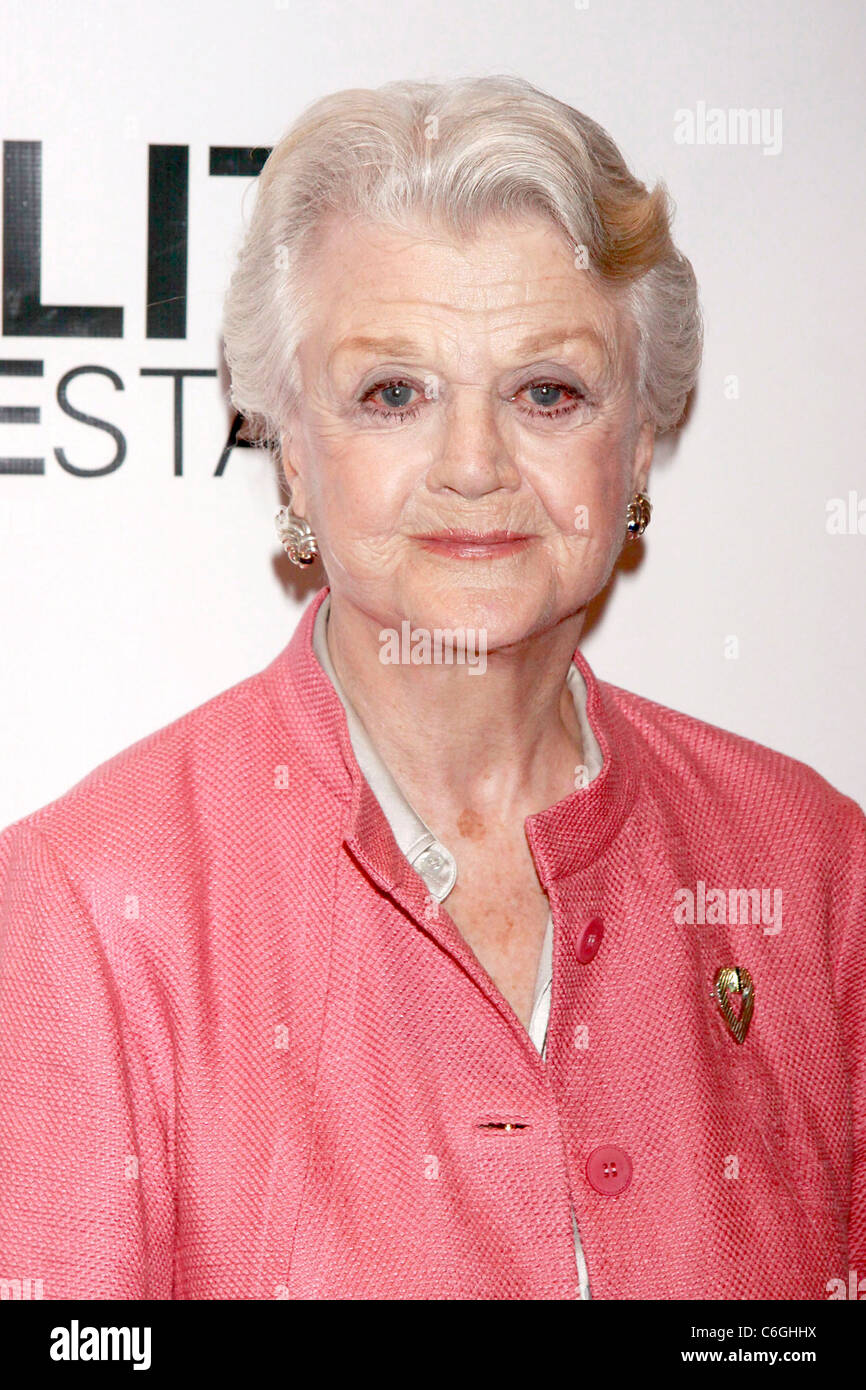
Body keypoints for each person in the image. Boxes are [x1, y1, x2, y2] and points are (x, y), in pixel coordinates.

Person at [0, 75, 862, 1300]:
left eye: (546, 392)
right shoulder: (90, 905)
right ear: (290, 447)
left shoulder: (812, 868)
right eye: (392, 393)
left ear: (635, 442)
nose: (472, 465)